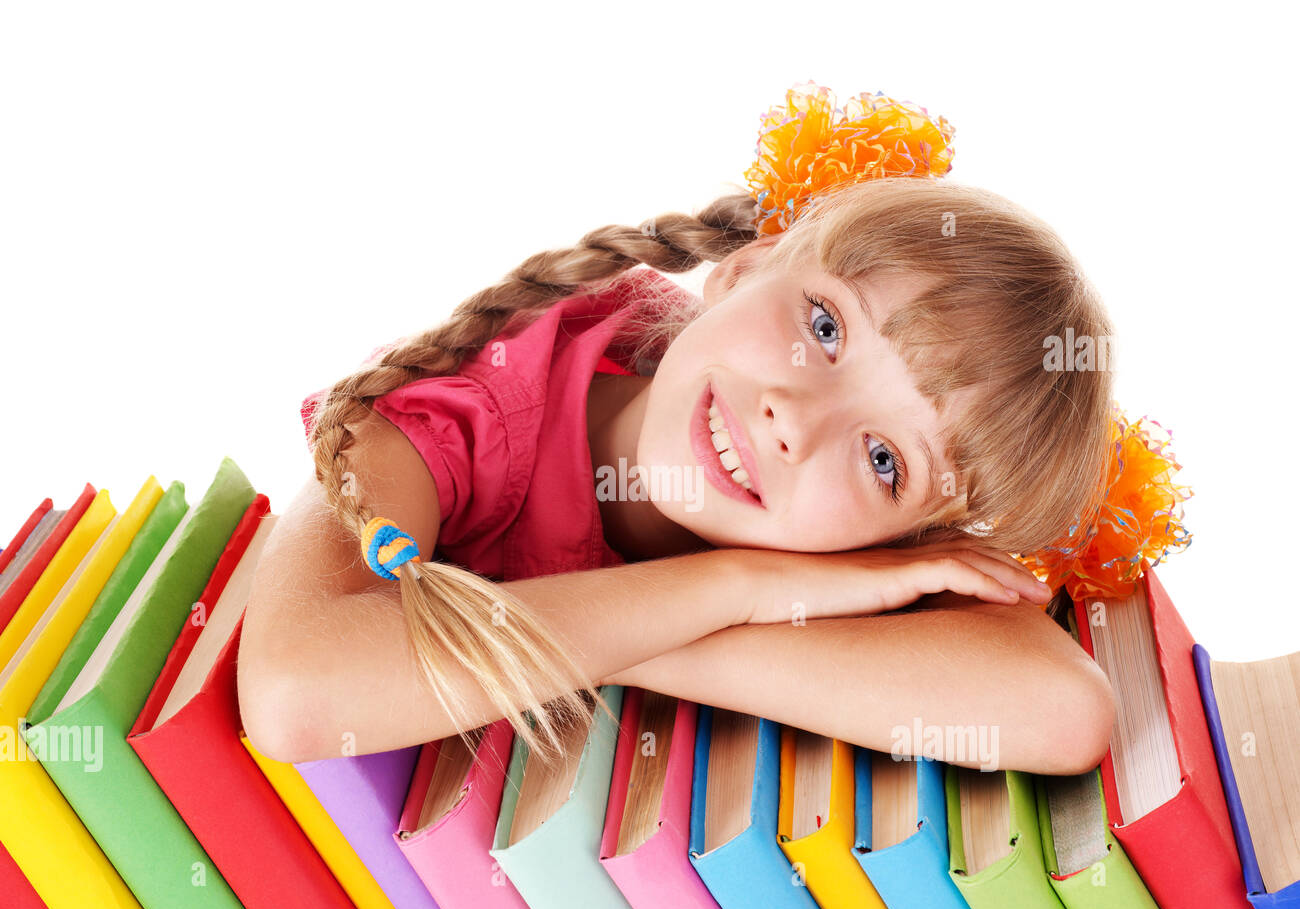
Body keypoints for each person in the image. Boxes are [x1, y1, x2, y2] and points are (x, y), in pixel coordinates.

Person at [237, 84, 1180, 776]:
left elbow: (1061, 713)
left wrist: (652, 623)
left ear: (902, 538)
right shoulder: (474, 393)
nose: (795, 420)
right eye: (825, 326)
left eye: (886, 459)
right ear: (745, 268)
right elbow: (294, 696)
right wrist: (739, 584)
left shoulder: (844, 554)